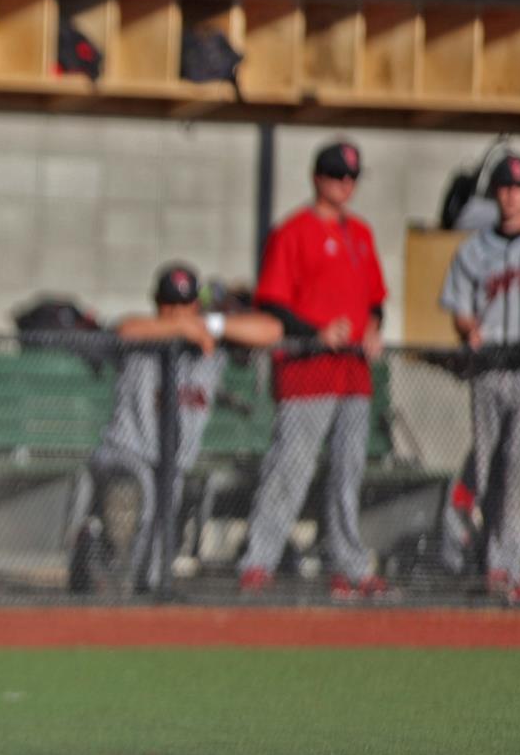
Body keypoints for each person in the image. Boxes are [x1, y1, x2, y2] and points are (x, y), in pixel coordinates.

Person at [70, 263, 282, 596]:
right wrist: (181, 329)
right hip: (124, 454)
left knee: (167, 502)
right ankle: (104, 555)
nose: (178, 312)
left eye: (185, 305)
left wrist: (209, 324)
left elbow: (271, 330)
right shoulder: (145, 334)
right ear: (157, 302)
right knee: (148, 492)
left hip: (172, 463)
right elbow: (125, 329)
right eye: (170, 305)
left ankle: (143, 582)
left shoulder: (211, 334)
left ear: (196, 304)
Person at [237, 140, 390, 599]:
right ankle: (258, 561)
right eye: (335, 175)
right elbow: (273, 303)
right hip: (308, 370)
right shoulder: (293, 231)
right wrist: (317, 333)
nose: (344, 184)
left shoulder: (360, 233)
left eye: (351, 177)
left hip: (353, 374)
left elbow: (376, 300)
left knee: (348, 474)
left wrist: (374, 329)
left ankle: (348, 563)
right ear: (317, 178)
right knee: (291, 469)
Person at [439, 151, 520, 605]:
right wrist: (467, 326)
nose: (512, 195)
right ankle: (487, 557)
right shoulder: (475, 248)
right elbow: (460, 307)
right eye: (505, 187)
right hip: (489, 367)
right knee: (486, 468)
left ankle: (505, 566)